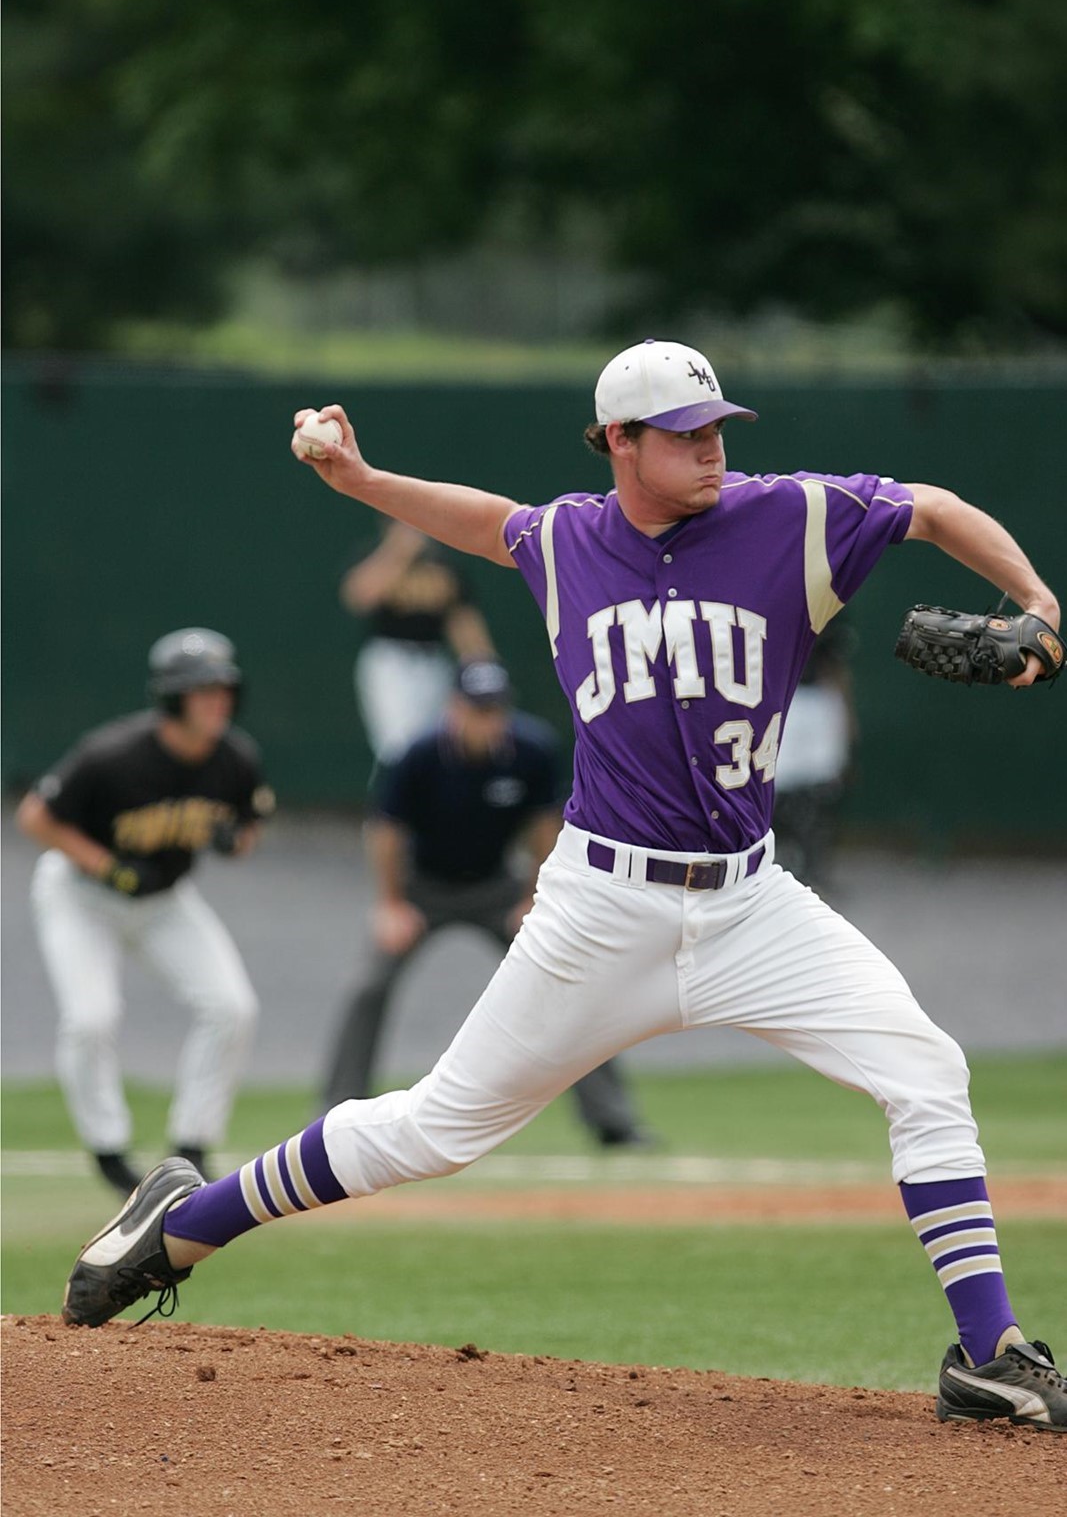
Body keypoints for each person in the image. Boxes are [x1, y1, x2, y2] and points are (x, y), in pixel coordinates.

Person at [62, 341, 1064, 1434]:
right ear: (617, 443)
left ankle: (987, 1352)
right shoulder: (566, 539)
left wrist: (1033, 599)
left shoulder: (792, 516)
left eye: (716, 424)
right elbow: (481, 519)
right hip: (601, 906)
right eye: (683, 432)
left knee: (924, 1071)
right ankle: (175, 1225)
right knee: (433, 1132)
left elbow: (929, 505)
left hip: (750, 902)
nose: (710, 446)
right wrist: (359, 481)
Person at [321, 655, 651, 1147]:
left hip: (498, 886)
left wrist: (533, 899)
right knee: (368, 986)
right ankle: (331, 1118)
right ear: (454, 709)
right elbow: (386, 831)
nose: (487, 721)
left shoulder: (531, 750)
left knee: (570, 979)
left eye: (495, 710)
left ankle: (612, 1120)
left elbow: (546, 829)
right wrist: (390, 904)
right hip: (423, 888)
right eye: (477, 710)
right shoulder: (417, 755)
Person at [18, 628, 273, 1194]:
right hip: (81, 896)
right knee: (91, 1018)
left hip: (164, 901)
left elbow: (247, 827)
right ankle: (109, 1150)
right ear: (171, 698)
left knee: (232, 1007)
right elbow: (36, 815)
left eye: (223, 689)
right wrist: (105, 865)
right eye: (201, 690)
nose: (217, 701)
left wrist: (236, 840)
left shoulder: (235, 759)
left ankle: (191, 1144)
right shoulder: (112, 756)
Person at [340, 517, 495, 767]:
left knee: (437, 742)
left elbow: (464, 623)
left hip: (434, 661)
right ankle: (397, 801)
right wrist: (399, 552)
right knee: (396, 747)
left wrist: (484, 663)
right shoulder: (374, 556)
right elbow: (359, 597)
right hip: (389, 661)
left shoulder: (444, 565)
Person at [772, 614, 857, 892]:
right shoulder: (777, 605)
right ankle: (782, 864)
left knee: (822, 789)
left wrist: (846, 718)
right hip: (789, 700)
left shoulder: (834, 614)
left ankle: (814, 867)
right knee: (779, 789)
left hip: (821, 702)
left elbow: (837, 669)